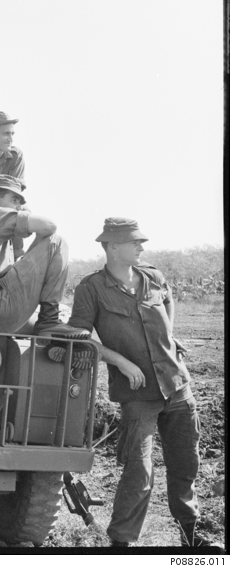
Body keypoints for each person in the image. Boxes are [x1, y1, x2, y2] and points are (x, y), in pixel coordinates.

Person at [60, 218, 221, 549]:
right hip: (137, 395)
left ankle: (192, 540)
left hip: (176, 385)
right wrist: (120, 361)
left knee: (185, 464)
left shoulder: (154, 278)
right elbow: (80, 338)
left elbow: (168, 302)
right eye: (135, 242)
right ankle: (121, 544)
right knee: (139, 471)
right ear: (113, 247)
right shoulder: (91, 289)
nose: (142, 247)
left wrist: (170, 337)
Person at [0, 175, 90, 339]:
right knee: (56, 242)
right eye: (14, 200)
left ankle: (53, 337)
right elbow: (49, 226)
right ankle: (49, 321)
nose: (19, 205)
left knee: (60, 319)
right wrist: (26, 212)